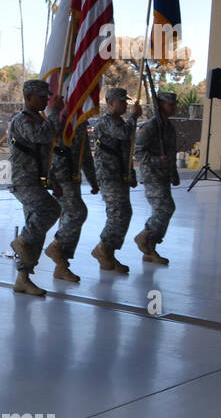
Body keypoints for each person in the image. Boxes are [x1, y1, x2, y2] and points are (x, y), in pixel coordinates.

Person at [7, 79, 65, 296]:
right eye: (41, 96)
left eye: (46, 96)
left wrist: (52, 180)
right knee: (49, 210)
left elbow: (42, 155)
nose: (46, 100)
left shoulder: (37, 119)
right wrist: (54, 113)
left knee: (37, 230)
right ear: (28, 97)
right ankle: (21, 241)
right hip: (22, 180)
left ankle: (23, 277)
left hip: (35, 179)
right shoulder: (22, 120)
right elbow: (42, 136)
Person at [91, 87, 142, 273]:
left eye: (126, 101)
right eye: (122, 101)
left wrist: (131, 174)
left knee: (123, 212)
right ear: (110, 103)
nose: (126, 105)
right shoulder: (105, 122)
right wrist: (134, 117)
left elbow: (126, 152)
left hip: (120, 174)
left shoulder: (119, 121)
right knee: (118, 212)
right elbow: (124, 134)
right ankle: (104, 249)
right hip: (108, 174)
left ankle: (108, 253)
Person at [44, 117, 99, 283]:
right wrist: (51, 179)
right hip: (60, 176)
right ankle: (56, 246)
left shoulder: (80, 122)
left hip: (73, 176)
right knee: (77, 213)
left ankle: (61, 265)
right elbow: (47, 149)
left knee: (70, 217)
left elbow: (85, 155)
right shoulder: (60, 120)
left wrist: (93, 180)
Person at [134, 90, 180, 264]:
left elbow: (171, 152)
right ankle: (144, 237)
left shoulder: (168, 127)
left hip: (164, 175)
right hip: (151, 174)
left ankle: (150, 248)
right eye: (170, 104)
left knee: (164, 209)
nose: (174, 107)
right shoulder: (150, 126)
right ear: (161, 105)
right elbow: (138, 152)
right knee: (165, 208)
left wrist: (173, 173)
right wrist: (156, 160)